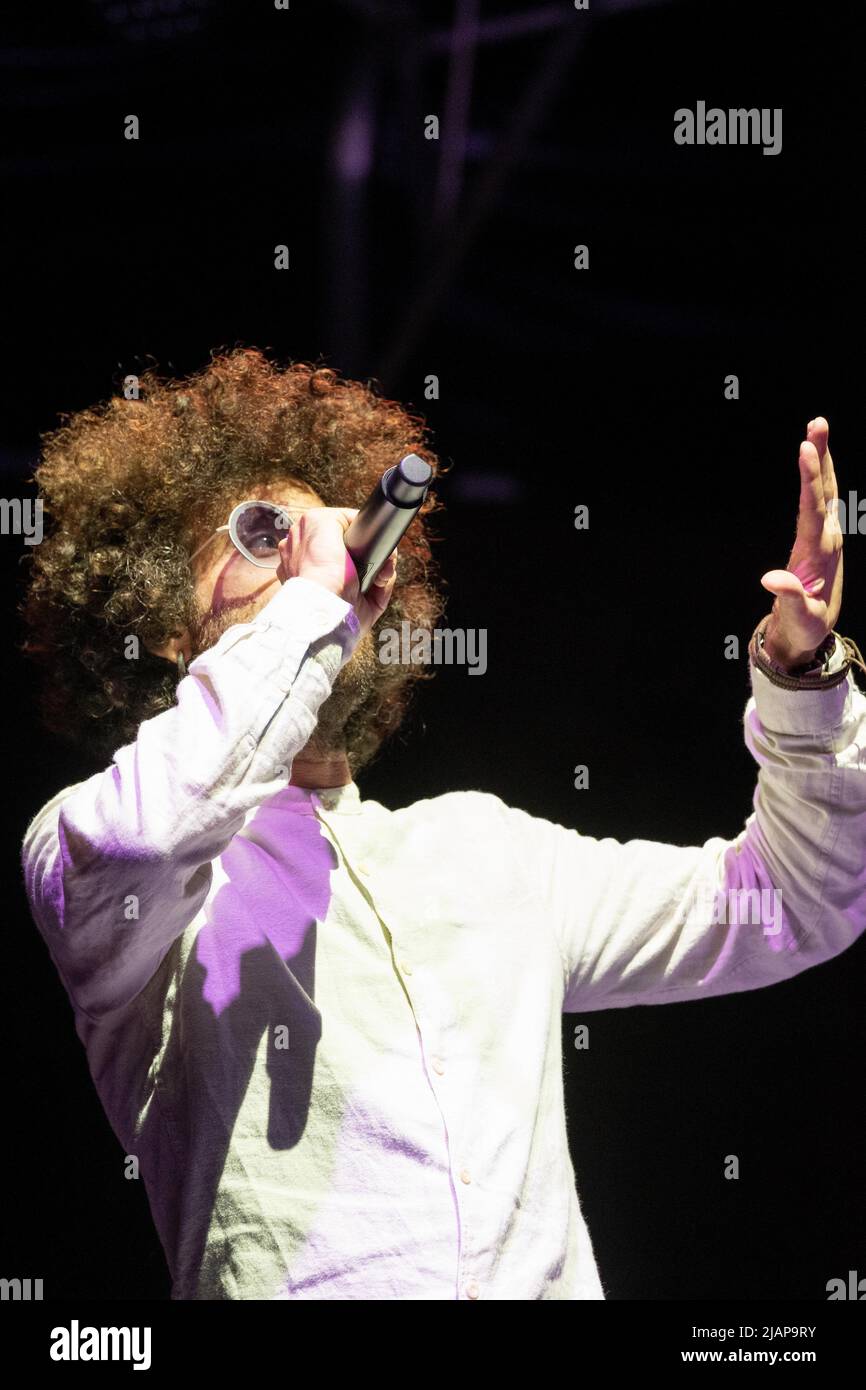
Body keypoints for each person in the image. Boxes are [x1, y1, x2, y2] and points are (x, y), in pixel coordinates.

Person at [19, 348, 866, 1300]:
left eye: (333, 538)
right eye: (266, 533)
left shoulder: (484, 851)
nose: (315, 560)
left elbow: (793, 902)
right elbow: (147, 834)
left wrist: (805, 678)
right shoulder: (94, 846)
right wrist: (306, 606)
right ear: (167, 625)